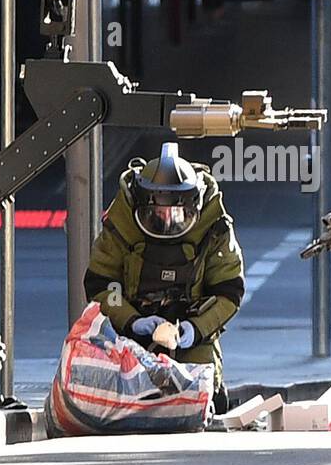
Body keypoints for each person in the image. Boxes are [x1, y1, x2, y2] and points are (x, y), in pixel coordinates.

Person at [83, 142, 244, 413]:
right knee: (118, 398)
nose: (167, 223)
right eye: (157, 215)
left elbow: (228, 293)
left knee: (204, 396)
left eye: (177, 215)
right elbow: (104, 285)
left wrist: (195, 329)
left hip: (192, 333)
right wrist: (132, 320)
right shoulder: (122, 225)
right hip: (129, 334)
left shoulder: (213, 226)